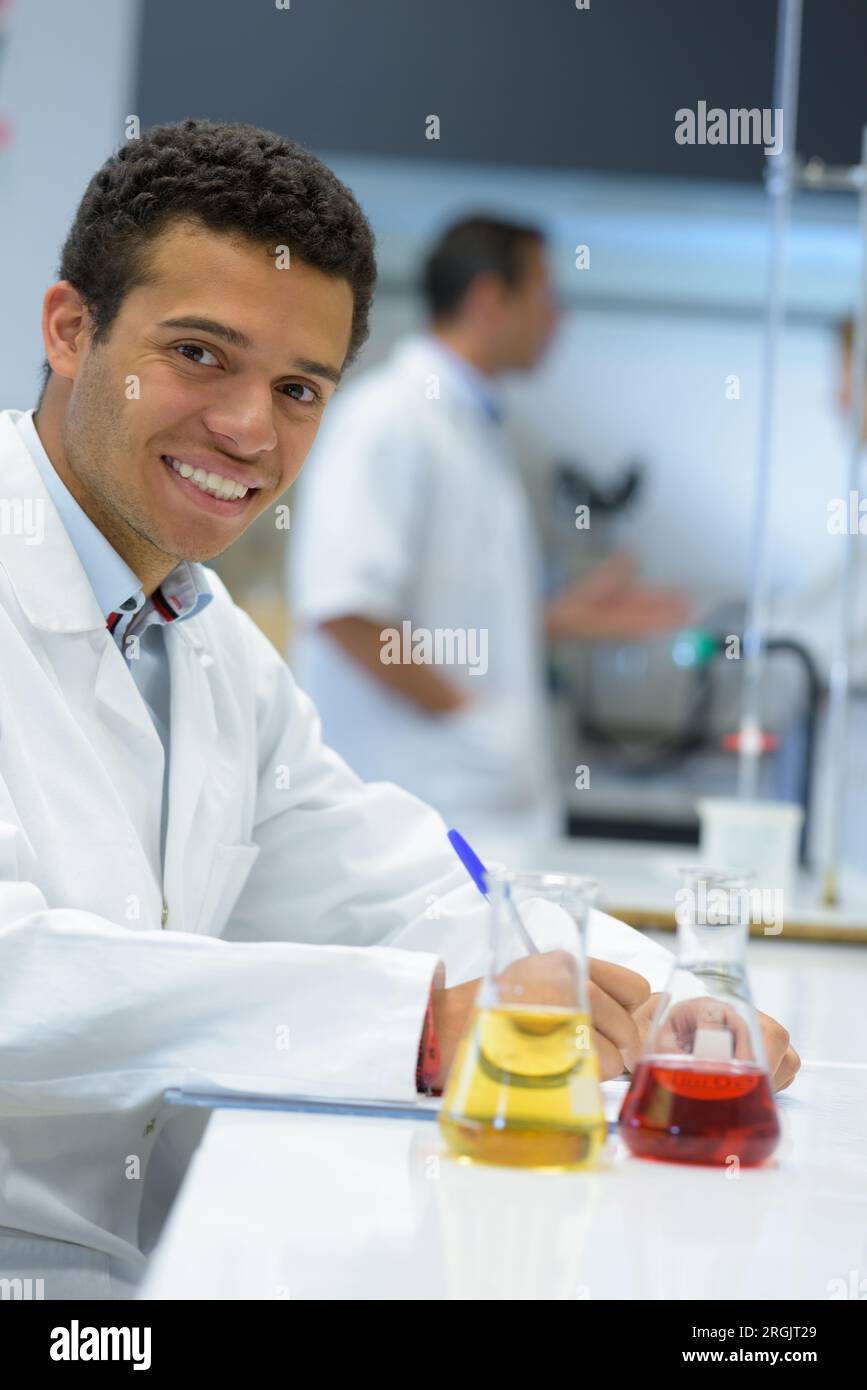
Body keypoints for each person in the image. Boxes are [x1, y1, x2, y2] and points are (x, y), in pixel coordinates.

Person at [0, 120, 799, 1300]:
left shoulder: (203, 645)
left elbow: (398, 882)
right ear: (72, 329)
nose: (249, 431)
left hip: (125, 1271)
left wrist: (673, 998)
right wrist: (424, 1024)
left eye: (297, 387)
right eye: (200, 355)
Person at [288, 216, 689, 844]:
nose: (559, 321)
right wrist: (468, 720)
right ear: (489, 299)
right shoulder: (388, 418)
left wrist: (556, 620)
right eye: (547, 297)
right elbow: (345, 611)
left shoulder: (473, 429)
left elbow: (447, 618)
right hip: (416, 810)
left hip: (471, 812)